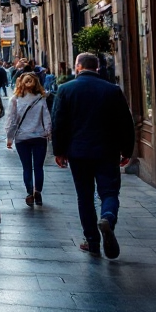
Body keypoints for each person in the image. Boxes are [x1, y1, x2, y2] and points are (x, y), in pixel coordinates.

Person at [52, 52, 136, 259]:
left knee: (85, 196)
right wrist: (127, 150)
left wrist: (59, 151)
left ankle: (92, 241)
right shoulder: (112, 90)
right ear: (97, 68)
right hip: (107, 151)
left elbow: (58, 124)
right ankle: (107, 217)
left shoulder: (65, 90)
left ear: (78, 67)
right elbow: (126, 123)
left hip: (78, 152)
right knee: (109, 193)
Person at [6, 72, 51, 207]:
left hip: (22, 138)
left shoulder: (15, 99)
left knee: (27, 167)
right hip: (39, 137)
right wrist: (48, 133)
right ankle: (38, 191)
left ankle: (29, 193)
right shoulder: (41, 98)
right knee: (38, 167)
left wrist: (9, 137)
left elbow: (11, 120)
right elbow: (47, 118)